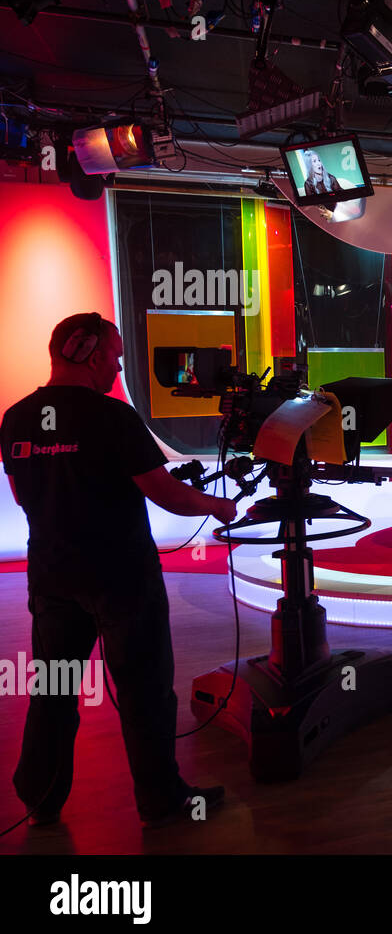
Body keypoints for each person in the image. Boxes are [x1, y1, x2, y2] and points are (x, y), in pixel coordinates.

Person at [1, 313, 237, 828]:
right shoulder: (113, 418)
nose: (117, 366)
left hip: (52, 577)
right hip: (122, 578)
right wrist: (215, 507)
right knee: (144, 691)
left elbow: (24, 497)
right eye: (114, 355)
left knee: (53, 690)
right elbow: (166, 494)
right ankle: (159, 800)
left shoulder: (16, 418)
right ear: (89, 354)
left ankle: (40, 800)